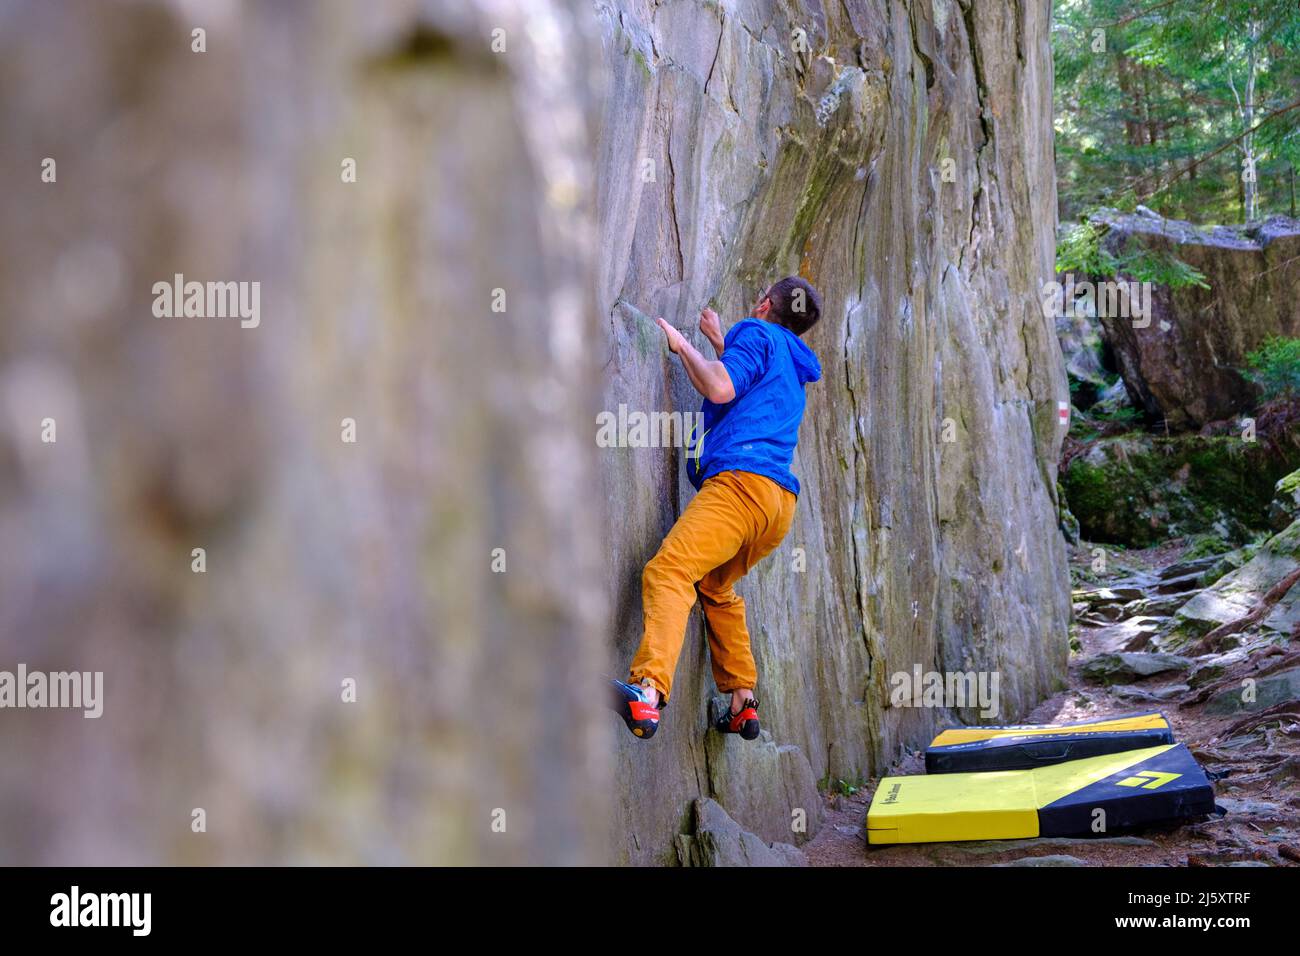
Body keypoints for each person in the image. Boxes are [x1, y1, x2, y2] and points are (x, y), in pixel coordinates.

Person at [610, 276, 823, 740]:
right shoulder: (789, 360)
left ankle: (647, 694)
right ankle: (743, 701)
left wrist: (684, 347)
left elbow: (721, 389)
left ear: (765, 303)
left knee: (668, 572)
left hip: (739, 488)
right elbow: (746, 385)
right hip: (777, 507)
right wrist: (720, 342)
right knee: (715, 586)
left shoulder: (756, 332)